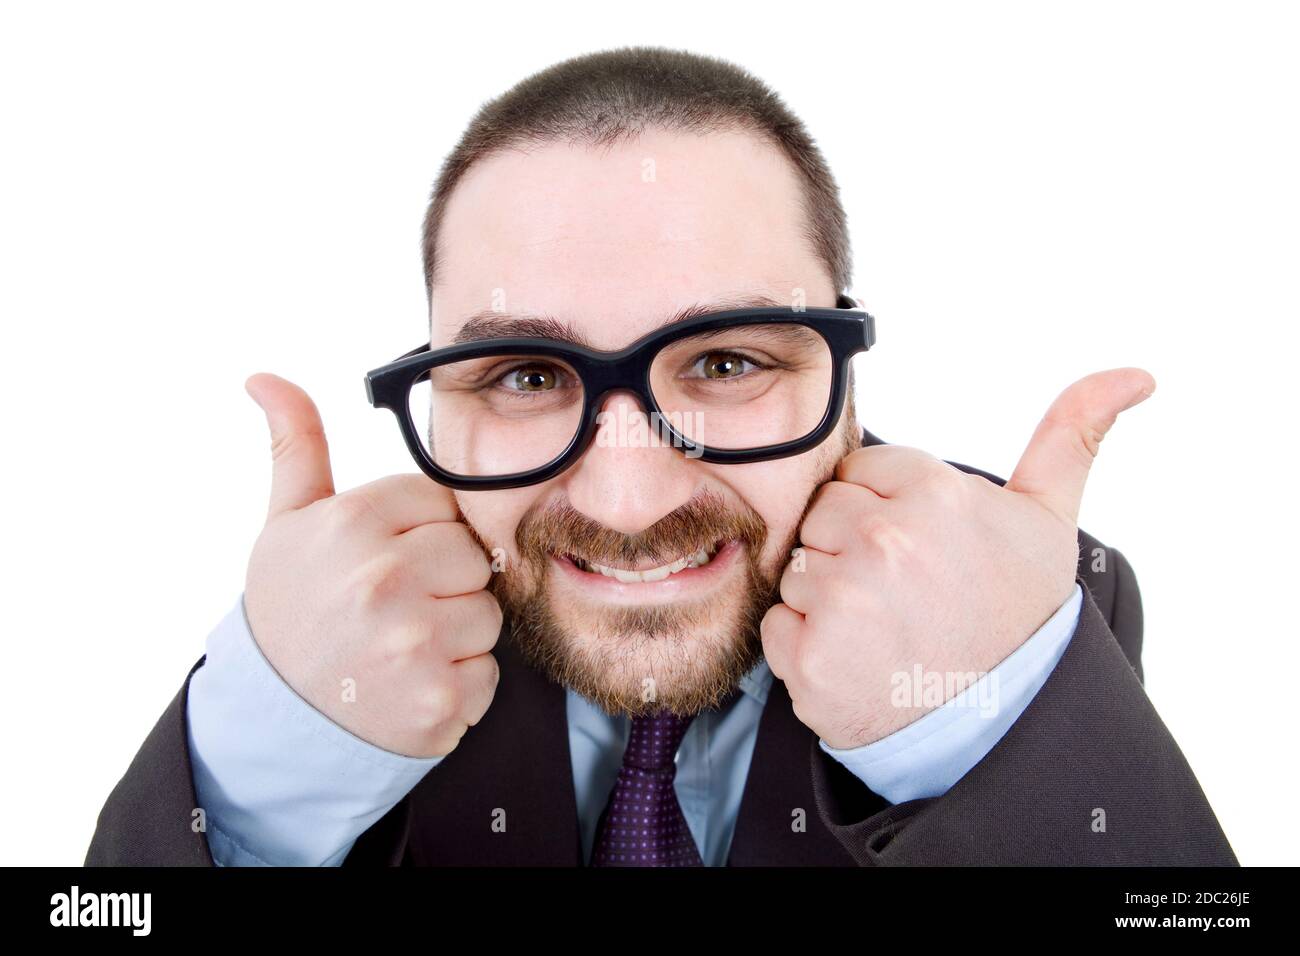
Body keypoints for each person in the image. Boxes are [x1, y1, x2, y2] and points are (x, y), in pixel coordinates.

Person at [85, 46, 1236, 867]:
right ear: (435, 399)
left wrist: (992, 729)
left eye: (727, 363)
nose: (628, 495)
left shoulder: (1010, 601)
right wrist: (263, 777)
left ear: (844, 379)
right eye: (529, 376)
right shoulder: (334, 644)